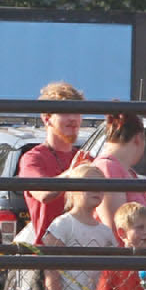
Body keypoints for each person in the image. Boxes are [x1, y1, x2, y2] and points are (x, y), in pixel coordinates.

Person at [16, 82, 88, 241]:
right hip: (51, 257)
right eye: (65, 113)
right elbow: (43, 193)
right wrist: (75, 173)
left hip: (85, 252)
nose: (73, 119)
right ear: (46, 118)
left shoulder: (86, 158)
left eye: (77, 113)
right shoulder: (33, 158)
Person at [35, 171, 116, 290]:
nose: (97, 191)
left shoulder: (106, 232)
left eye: (101, 186)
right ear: (73, 190)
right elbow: (52, 271)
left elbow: (112, 272)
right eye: (89, 186)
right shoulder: (62, 225)